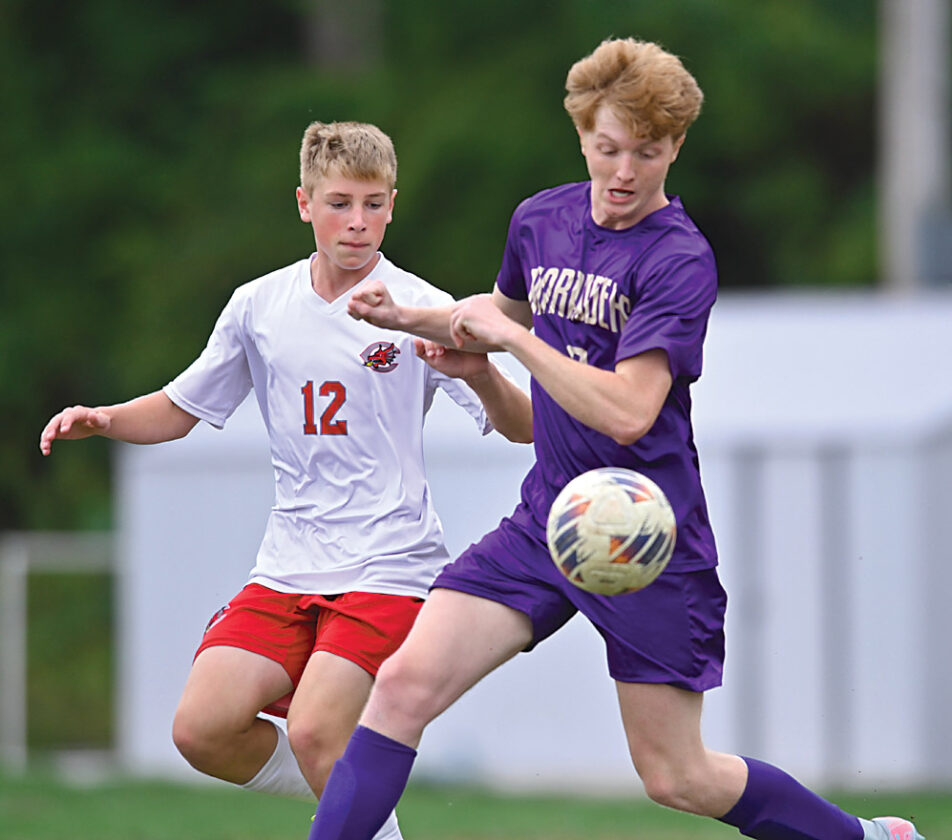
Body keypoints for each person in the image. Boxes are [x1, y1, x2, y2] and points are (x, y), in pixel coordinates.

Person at [305, 39, 925, 840]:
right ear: (582, 136)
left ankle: (863, 838)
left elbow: (630, 410)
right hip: (548, 520)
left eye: (649, 151)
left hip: (644, 536)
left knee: (678, 777)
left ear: (676, 147)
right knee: (401, 687)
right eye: (607, 148)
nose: (625, 169)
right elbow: (505, 314)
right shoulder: (542, 219)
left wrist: (517, 348)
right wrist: (412, 318)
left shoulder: (679, 259)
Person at [38, 120, 533, 840]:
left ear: (393, 205)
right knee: (202, 730)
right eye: (339, 203)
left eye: (372, 203)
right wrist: (105, 417)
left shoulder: (421, 306)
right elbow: (180, 409)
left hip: (387, 563)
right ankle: (361, 802)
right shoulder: (258, 306)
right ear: (304, 203)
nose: (357, 222)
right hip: (289, 564)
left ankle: (352, 796)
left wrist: (482, 370)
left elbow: (520, 425)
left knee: (316, 730)